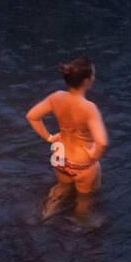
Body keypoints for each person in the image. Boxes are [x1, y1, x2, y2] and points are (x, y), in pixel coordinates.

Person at [26, 56, 108, 220]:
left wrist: (49, 138)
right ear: (86, 81)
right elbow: (102, 142)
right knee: (84, 200)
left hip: (60, 155)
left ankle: (46, 214)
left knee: (62, 187)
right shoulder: (89, 108)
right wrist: (93, 157)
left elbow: (32, 116)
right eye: (92, 75)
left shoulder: (56, 97)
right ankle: (82, 224)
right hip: (81, 163)